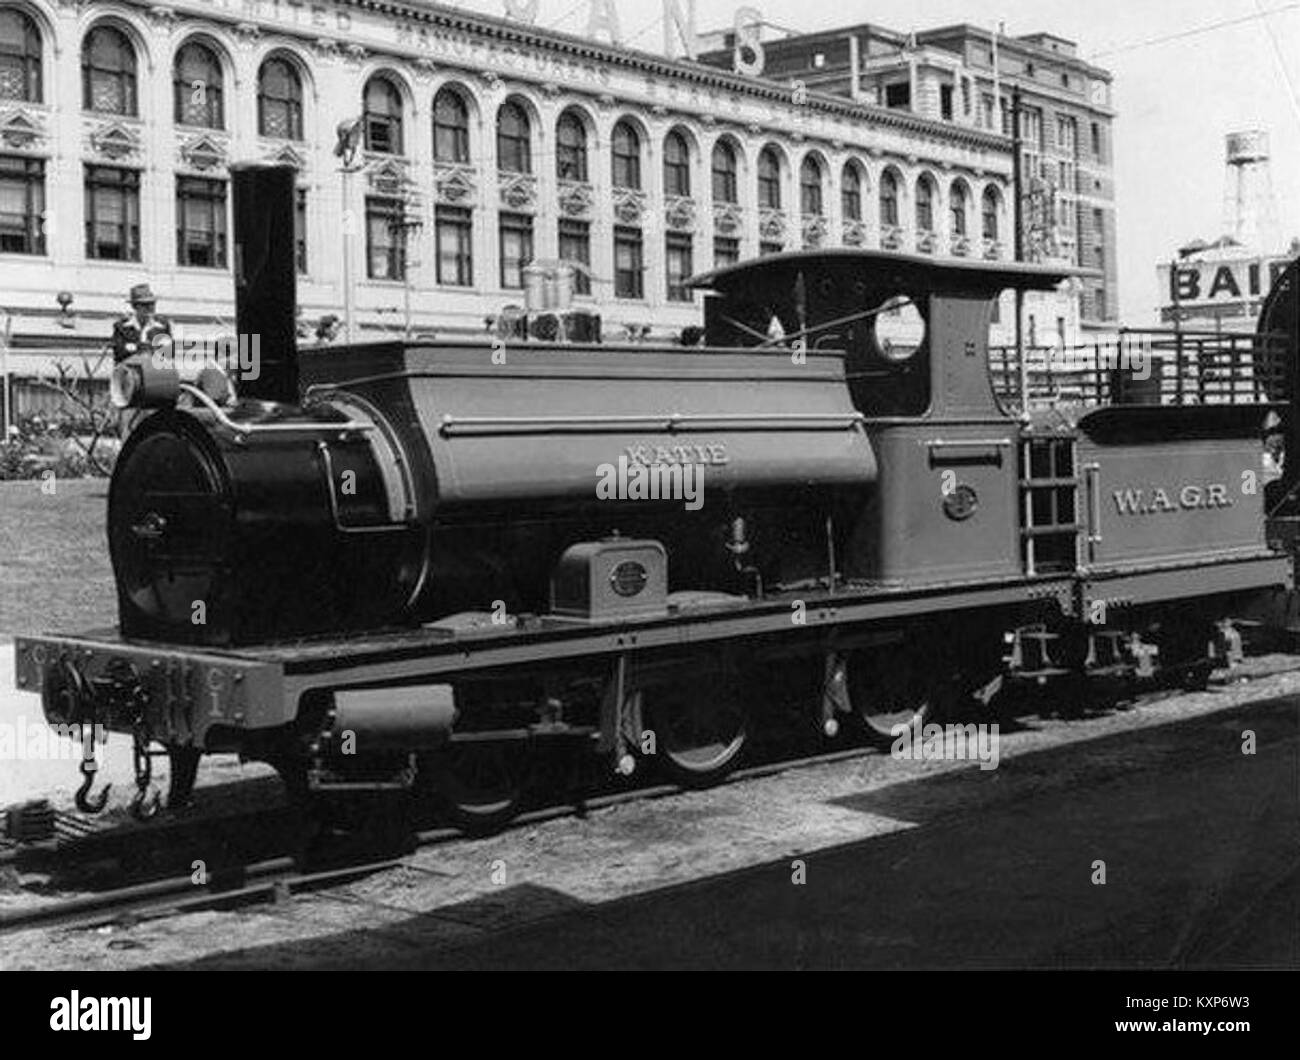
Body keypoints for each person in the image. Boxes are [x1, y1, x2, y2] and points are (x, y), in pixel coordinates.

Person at [111, 284, 172, 366]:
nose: (150, 308)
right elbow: (119, 352)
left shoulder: (162, 326)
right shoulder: (121, 327)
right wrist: (139, 347)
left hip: (154, 373)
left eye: (152, 304)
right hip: (129, 371)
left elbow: (170, 353)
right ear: (135, 306)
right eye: (145, 305)